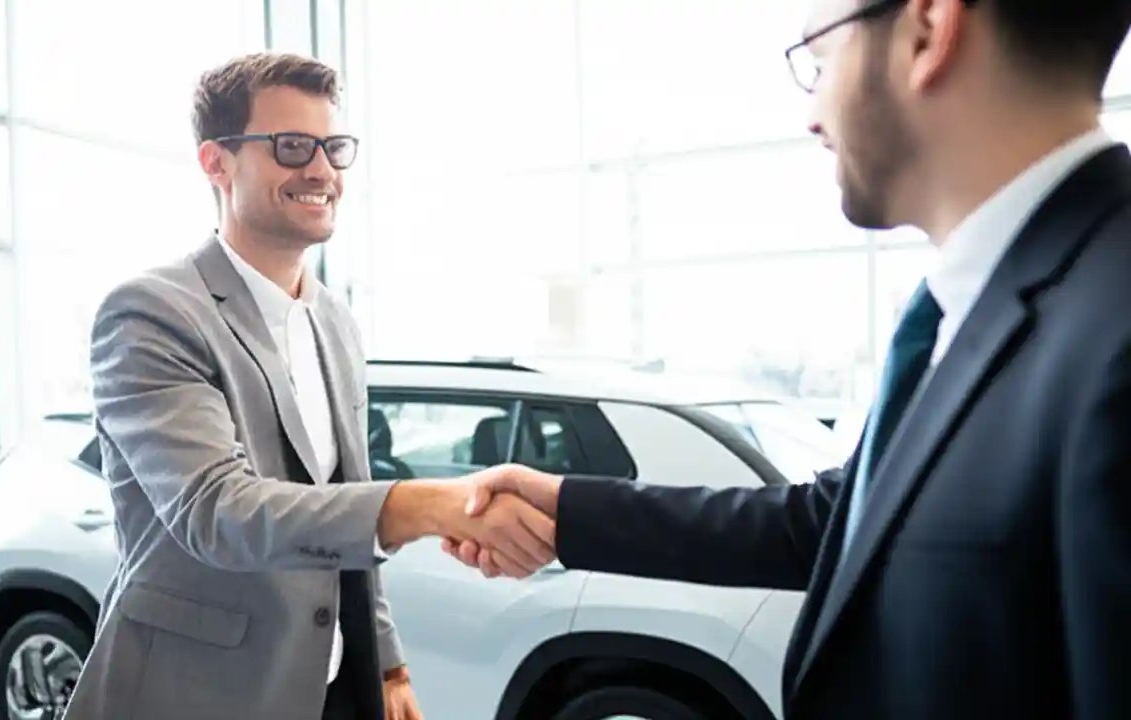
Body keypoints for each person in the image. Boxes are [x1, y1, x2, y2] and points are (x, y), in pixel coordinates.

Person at [447, 1, 1131, 718]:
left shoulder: (1110, 328)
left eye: (821, 58)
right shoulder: (981, 305)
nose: (810, 115)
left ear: (928, 31)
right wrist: (567, 509)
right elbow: (831, 521)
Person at [61, 52, 554, 720]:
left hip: (326, 686)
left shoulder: (335, 321)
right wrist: (431, 505)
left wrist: (387, 659)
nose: (321, 170)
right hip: (188, 692)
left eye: (333, 148)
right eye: (292, 147)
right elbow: (218, 512)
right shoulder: (152, 312)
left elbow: (344, 497)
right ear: (217, 162)